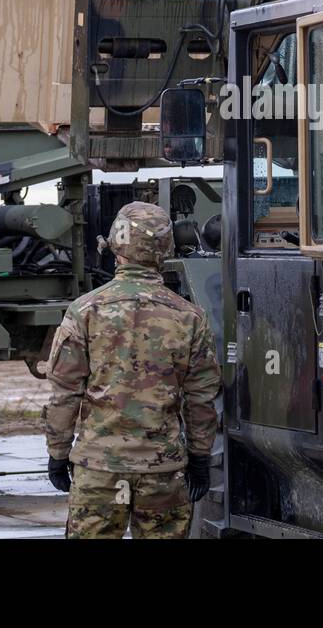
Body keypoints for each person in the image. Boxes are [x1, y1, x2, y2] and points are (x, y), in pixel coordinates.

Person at [43, 201, 221, 538]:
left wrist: (58, 453)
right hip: (163, 472)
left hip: (99, 470)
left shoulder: (84, 311)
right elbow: (201, 398)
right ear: (163, 250)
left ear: (116, 248)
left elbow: (64, 392)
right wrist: (200, 457)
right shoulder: (190, 317)